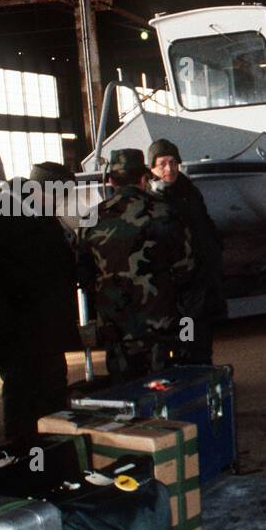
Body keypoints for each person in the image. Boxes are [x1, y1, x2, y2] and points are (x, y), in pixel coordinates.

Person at [0, 161, 81, 441]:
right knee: (23, 396)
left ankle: (51, 453)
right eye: (60, 194)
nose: (62, 202)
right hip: (18, 330)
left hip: (44, 329)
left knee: (52, 392)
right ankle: (23, 456)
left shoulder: (39, 216)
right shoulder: (1, 217)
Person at [78, 148, 194, 382]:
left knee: (125, 389)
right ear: (143, 179)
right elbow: (187, 267)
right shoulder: (165, 212)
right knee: (166, 388)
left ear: (110, 181)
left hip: (115, 327)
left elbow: (83, 274)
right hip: (161, 324)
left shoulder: (91, 218)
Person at [147, 138, 225, 365]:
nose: (169, 169)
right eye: (162, 164)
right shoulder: (152, 200)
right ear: (152, 167)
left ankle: (202, 373)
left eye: (173, 162)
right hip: (176, 290)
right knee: (183, 338)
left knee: (201, 338)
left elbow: (205, 224)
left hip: (201, 281)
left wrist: (215, 249)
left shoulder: (189, 191)